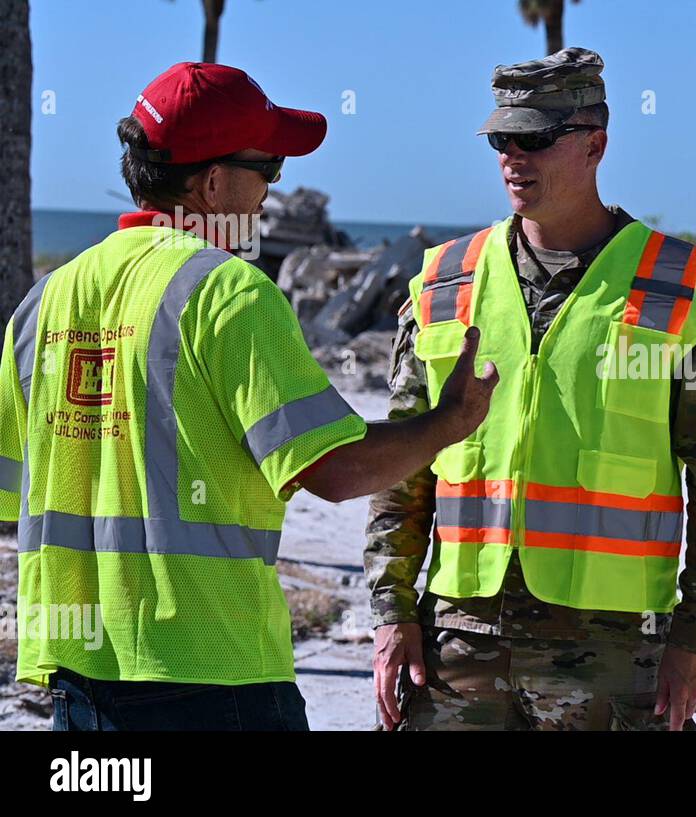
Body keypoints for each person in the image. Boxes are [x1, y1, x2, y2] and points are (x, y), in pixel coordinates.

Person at [0, 62, 497, 731]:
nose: (270, 191)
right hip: (213, 681)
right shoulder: (227, 292)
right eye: (268, 168)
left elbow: (15, 493)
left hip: (76, 684)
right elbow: (338, 469)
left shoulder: (43, 303)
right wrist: (450, 420)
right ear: (210, 183)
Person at [365, 47, 696, 731]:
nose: (515, 156)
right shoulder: (445, 283)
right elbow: (402, 462)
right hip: (461, 640)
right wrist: (392, 611)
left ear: (595, 144)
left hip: (612, 648)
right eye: (502, 140)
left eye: (537, 138)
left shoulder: (680, 291)